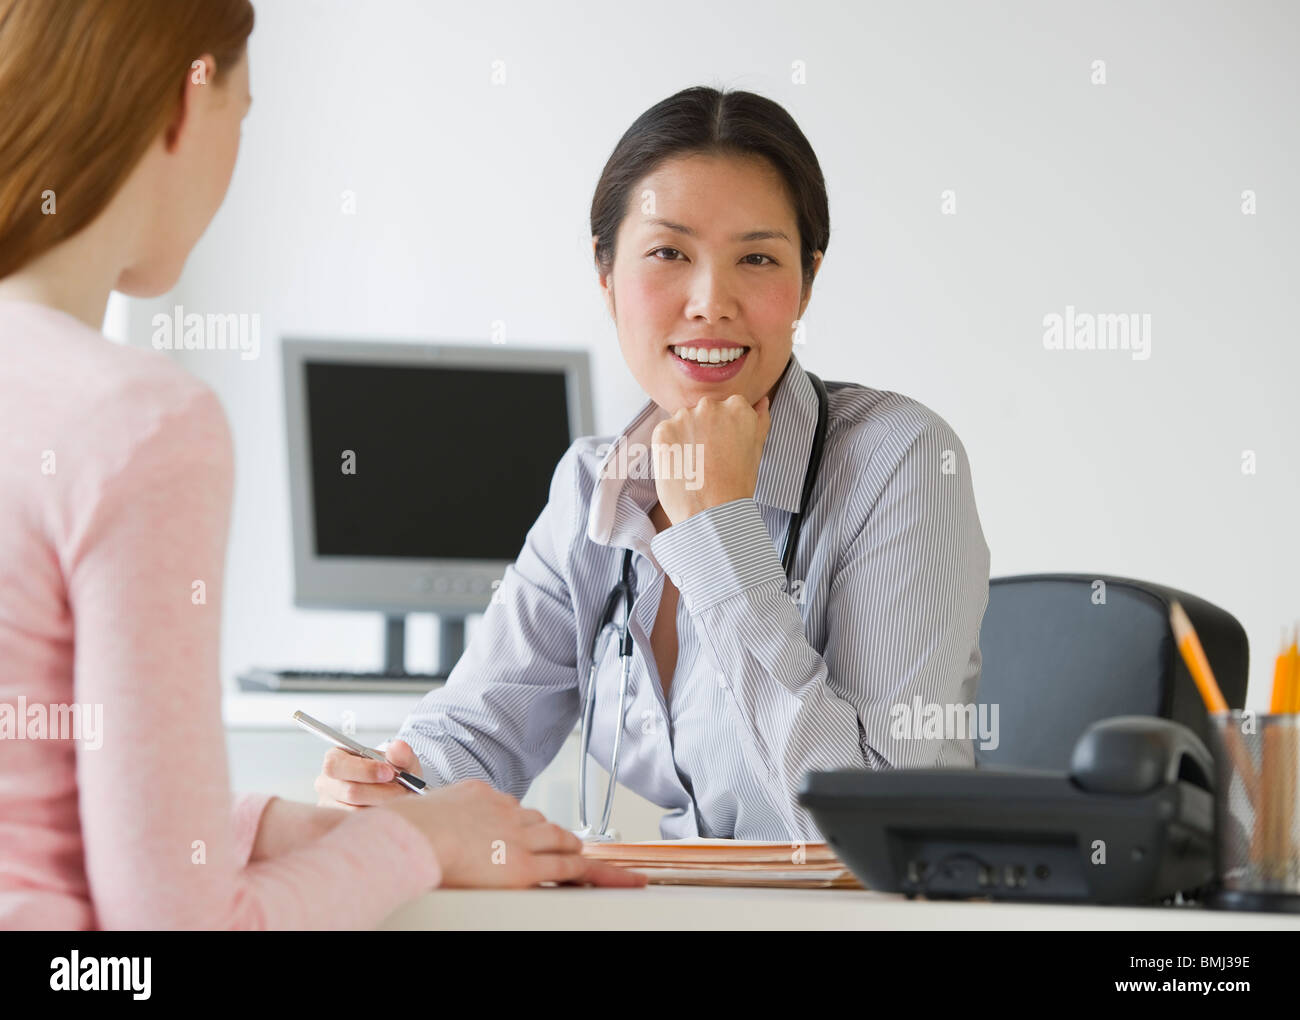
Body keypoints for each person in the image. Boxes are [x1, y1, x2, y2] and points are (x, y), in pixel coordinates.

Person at [0, 0, 641, 931]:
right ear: (187, 104)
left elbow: (37, 806)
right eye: (244, 114)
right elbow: (172, 931)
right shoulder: (137, 421)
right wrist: (426, 842)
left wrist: (273, 828)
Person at [316, 85, 991, 840]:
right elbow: (477, 732)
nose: (711, 300)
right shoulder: (592, 489)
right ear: (606, 277)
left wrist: (719, 534)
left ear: (805, 283)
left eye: (758, 258)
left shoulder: (900, 461)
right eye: (669, 252)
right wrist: (397, 784)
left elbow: (883, 826)